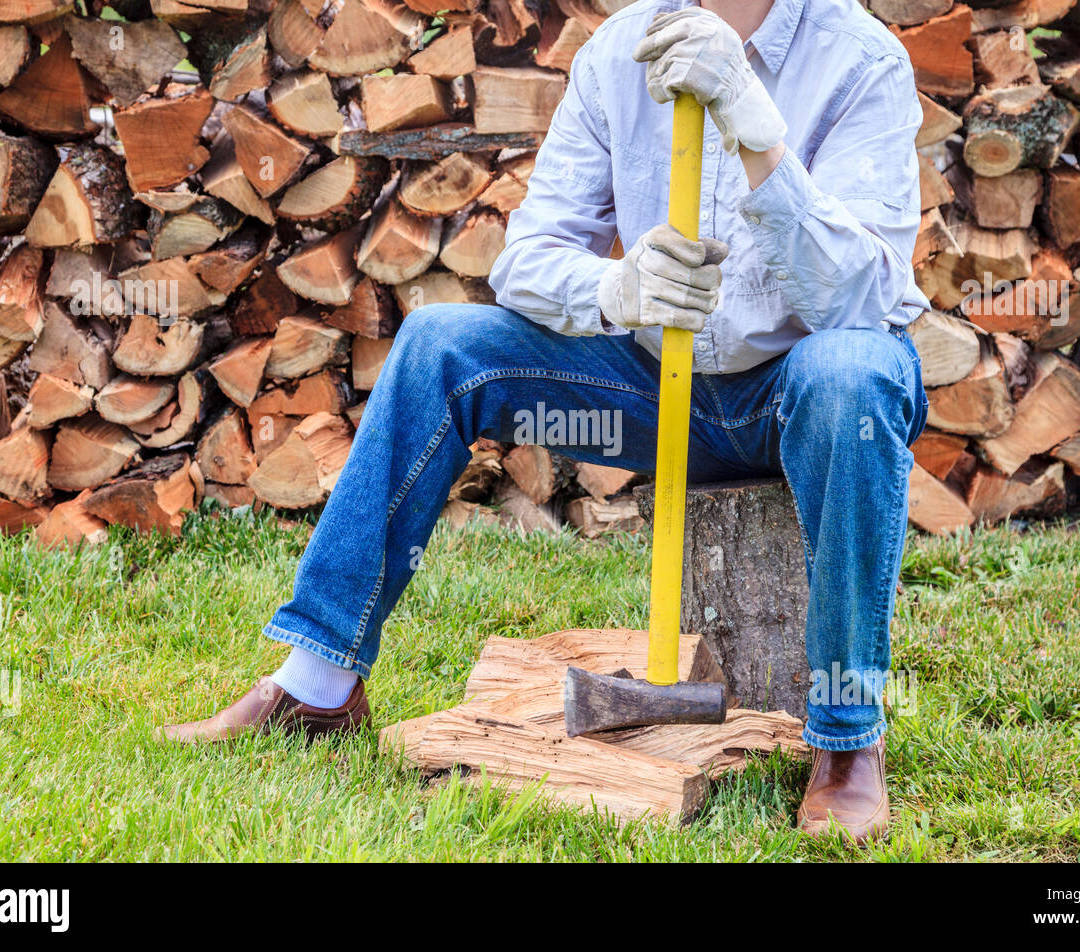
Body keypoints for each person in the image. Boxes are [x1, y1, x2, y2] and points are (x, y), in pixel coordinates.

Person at [161, 0, 930, 844]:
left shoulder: (862, 60)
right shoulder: (619, 52)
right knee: (440, 344)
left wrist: (757, 131)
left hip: (801, 390)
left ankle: (848, 741)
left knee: (854, 374)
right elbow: (529, 258)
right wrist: (612, 291)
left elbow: (861, 301)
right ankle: (318, 682)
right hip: (652, 385)